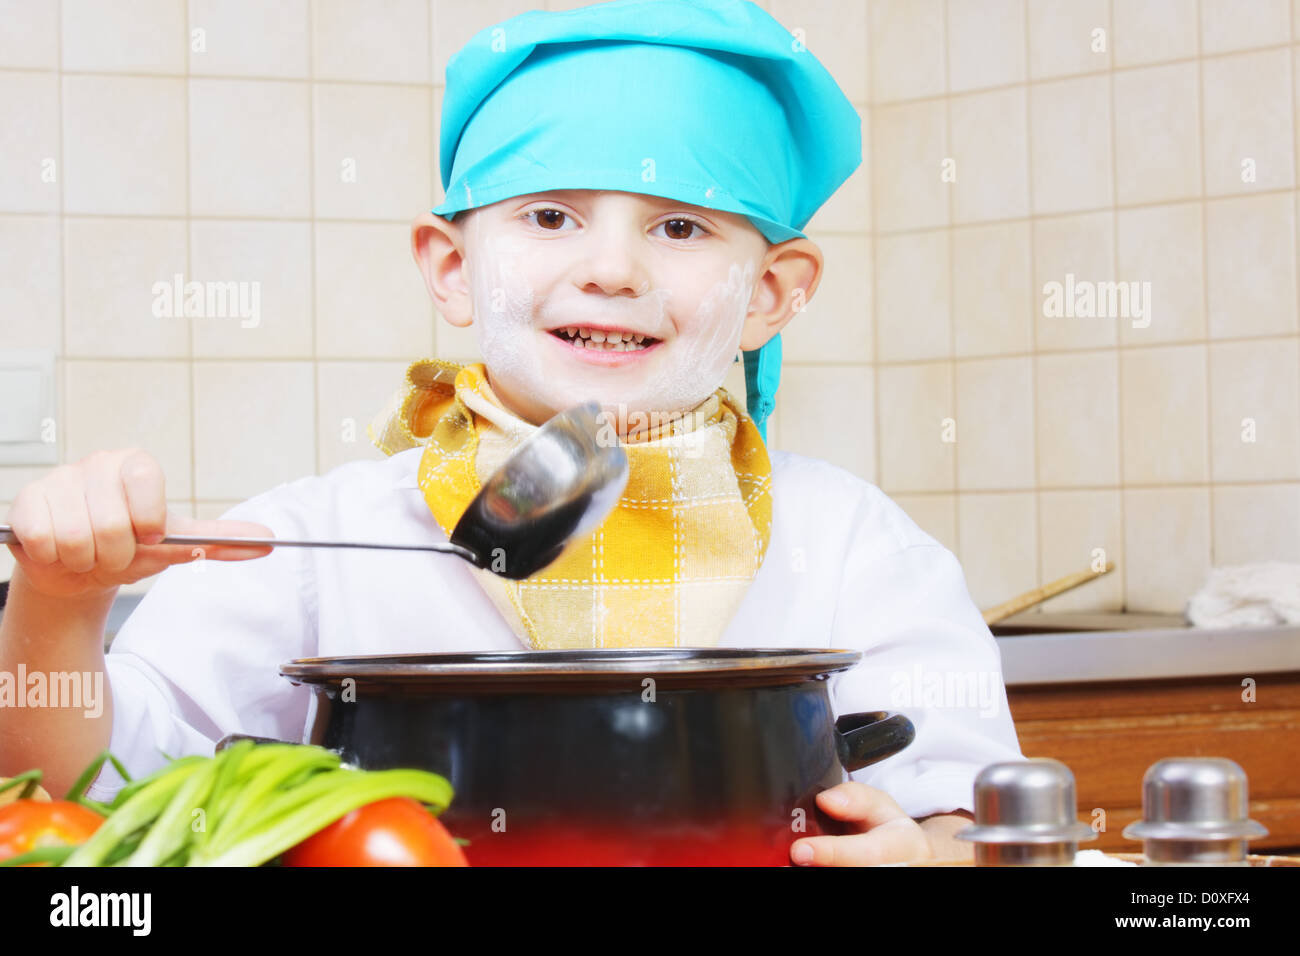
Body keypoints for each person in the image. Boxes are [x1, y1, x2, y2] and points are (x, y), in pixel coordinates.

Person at [0, 0, 1023, 866]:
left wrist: (929, 848)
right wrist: (56, 603)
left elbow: (980, 813)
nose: (613, 269)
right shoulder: (316, 544)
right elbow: (81, 787)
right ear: (450, 268)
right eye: (549, 216)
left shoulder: (849, 541)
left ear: (769, 293)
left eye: (680, 226)